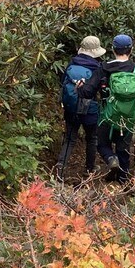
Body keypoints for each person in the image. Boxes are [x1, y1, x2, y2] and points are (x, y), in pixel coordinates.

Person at [97, 34, 135, 182]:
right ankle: (123, 181)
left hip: (107, 116)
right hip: (128, 118)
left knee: (101, 144)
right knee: (123, 149)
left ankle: (111, 158)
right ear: (131, 50)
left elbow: (89, 90)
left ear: (113, 49)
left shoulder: (105, 68)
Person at [56, 35, 107, 178]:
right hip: (89, 110)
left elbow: (62, 82)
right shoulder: (97, 68)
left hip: (70, 108)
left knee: (70, 139)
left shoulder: (71, 64)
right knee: (91, 138)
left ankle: (60, 166)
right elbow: (102, 90)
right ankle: (89, 169)